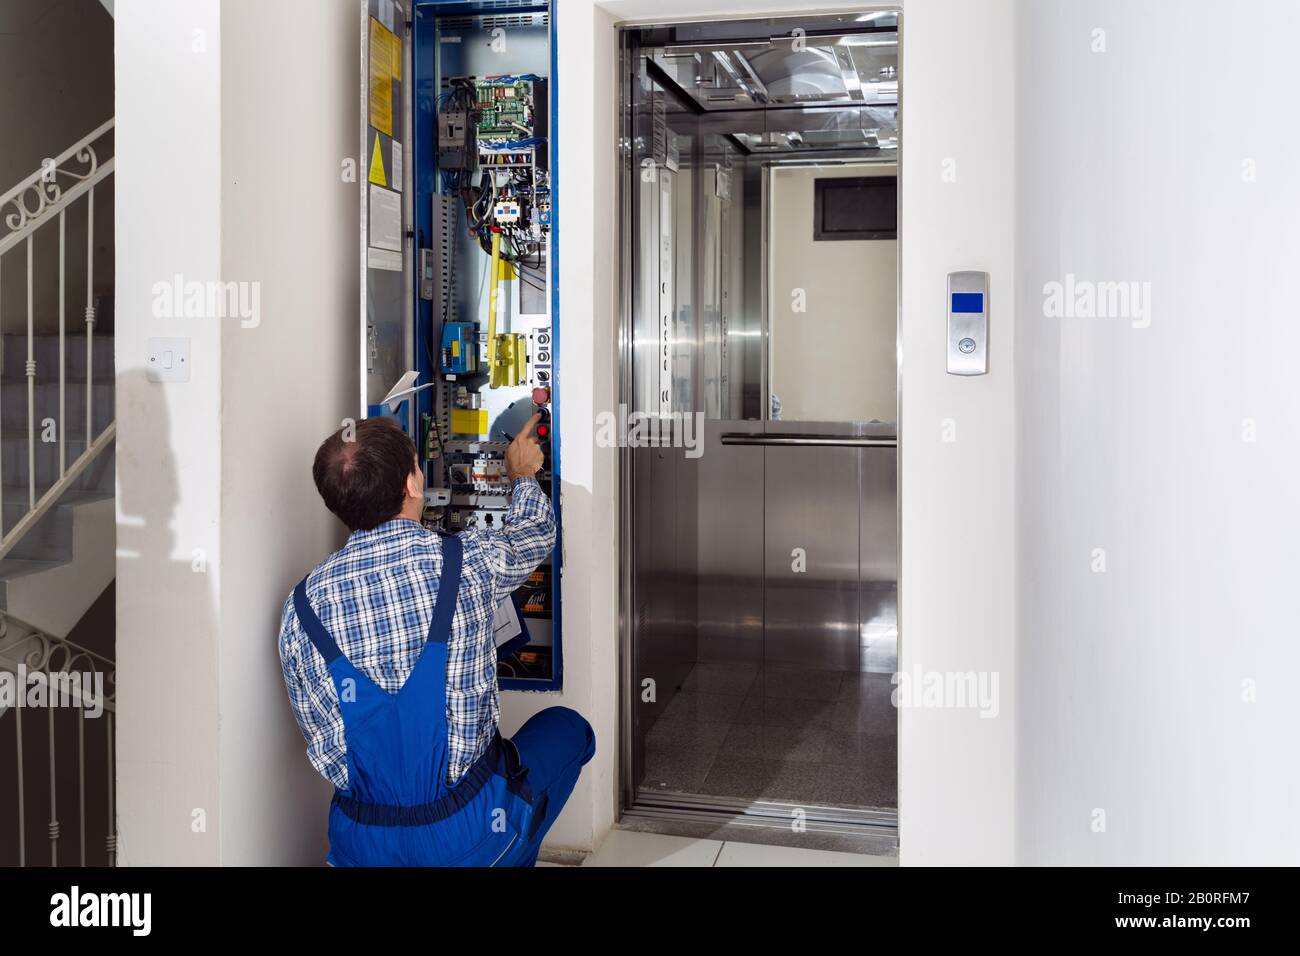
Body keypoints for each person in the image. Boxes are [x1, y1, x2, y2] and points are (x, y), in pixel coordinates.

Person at [278, 413, 594, 866]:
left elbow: (319, 729)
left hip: (363, 846)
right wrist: (522, 475)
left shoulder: (301, 609)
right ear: (411, 485)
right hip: (468, 834)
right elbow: (535, 533)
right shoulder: (465, 563)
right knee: (570, 730)